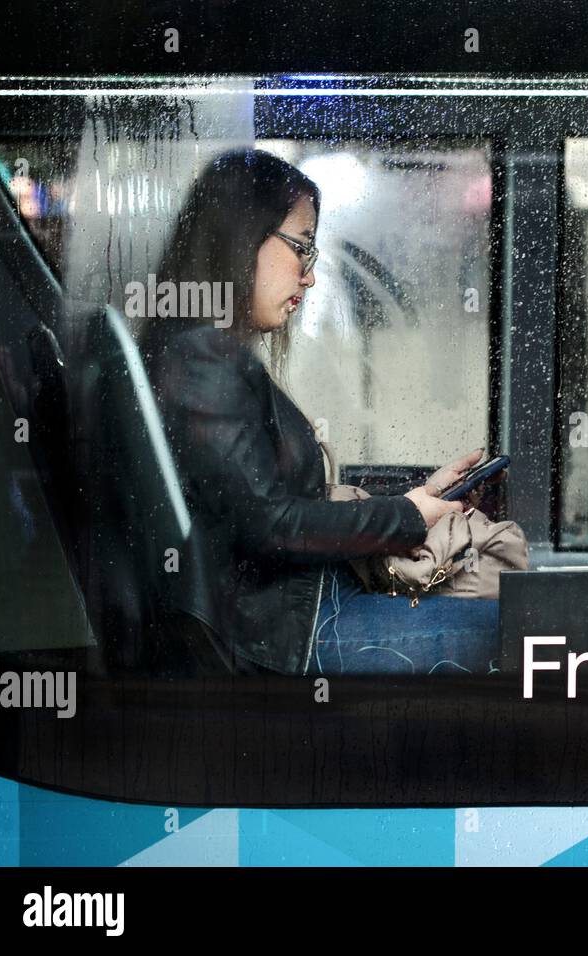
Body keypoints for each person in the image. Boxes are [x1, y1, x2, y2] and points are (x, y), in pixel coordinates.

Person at [140, 149, 500, 676]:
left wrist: (416, 499)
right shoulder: (202, 360)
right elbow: (272, 524)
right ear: (243, 236)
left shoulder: (204, 355)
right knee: (519, 631)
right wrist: (407, 515)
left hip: (304, 610)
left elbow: (268, 507)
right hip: (291, 633)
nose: (308, 278)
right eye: (302, 248)